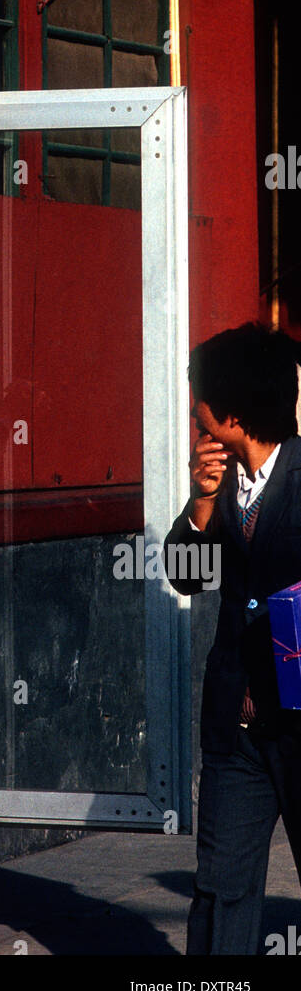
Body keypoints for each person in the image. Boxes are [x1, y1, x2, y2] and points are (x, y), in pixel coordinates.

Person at [164, 323, 301, 954]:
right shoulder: (215, 494)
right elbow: (186, 579)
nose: (196, 423)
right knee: (221, 890)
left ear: (234, 415)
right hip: (236, 729)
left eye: (202, 411)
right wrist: (199, 503)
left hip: (297, 717)